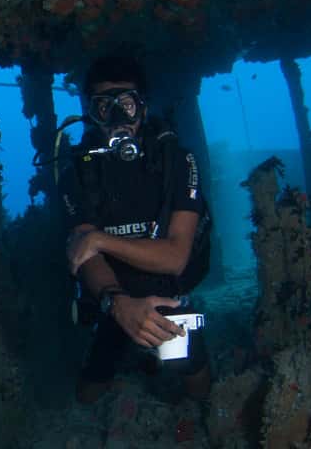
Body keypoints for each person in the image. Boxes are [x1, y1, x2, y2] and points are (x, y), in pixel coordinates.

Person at [60, 56, 212, 404]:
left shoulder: (177, 160)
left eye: (125, 105)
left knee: (196, 381)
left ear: (142, 108)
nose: (116, 120)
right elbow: (83, 256)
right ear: (90, 112)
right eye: (103, 107)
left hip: (167, 289)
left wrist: (99, 239)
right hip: (117, 294)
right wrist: (118, 304)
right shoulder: (77, 173)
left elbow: (175, 257)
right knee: (88, 393)